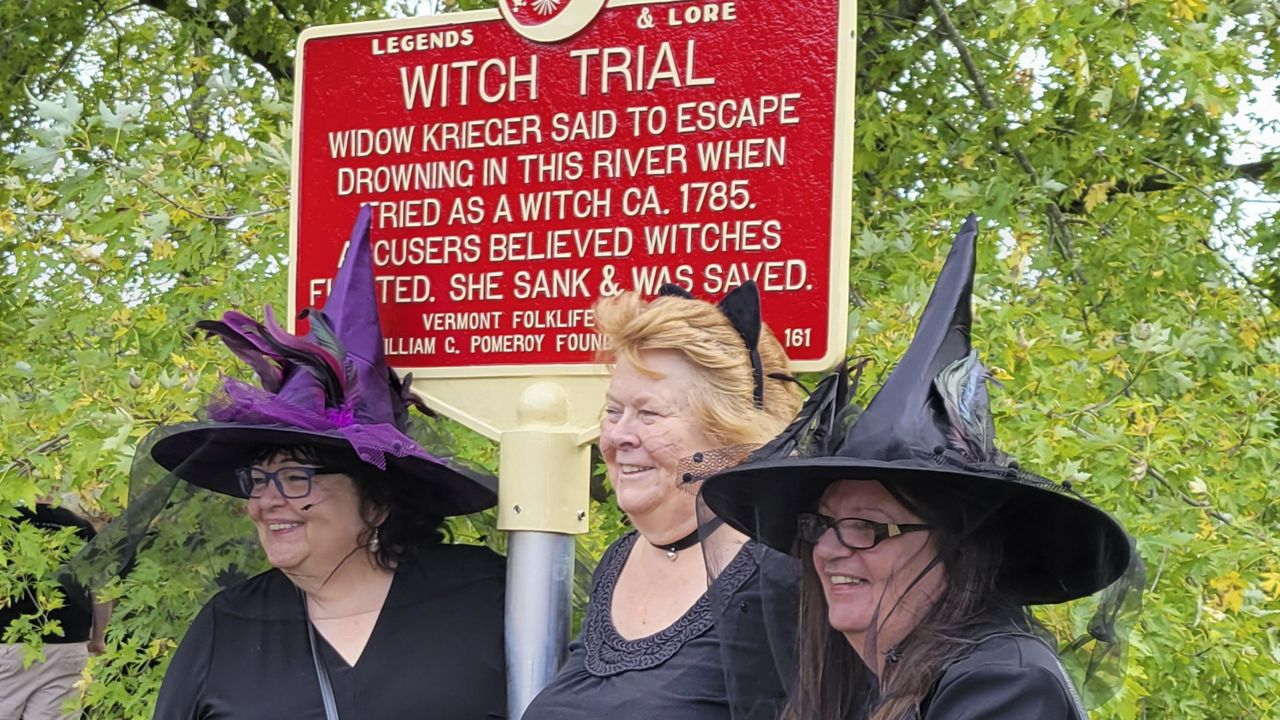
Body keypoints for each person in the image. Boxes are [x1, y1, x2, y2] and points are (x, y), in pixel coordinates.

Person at [701, 216, 1139, 720]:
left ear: (956, 547)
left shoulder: (1006, 686)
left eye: (867, 527)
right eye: (821, 525)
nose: (826, 548)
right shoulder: (879, 680)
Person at [148, 207, 505, 719]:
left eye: (296, 478)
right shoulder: (227, 625)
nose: (268, 501)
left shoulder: (480, 594)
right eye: (259, 479)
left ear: (377, 501)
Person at [522, 282, 802, 720]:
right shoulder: (619, 560)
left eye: (648, 414)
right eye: (614, 412)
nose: (618, 436)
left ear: (729, 431)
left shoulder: (786, 573)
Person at [1, 499, 112, 720]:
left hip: (8, 645)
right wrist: (98, 637)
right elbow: (102, 589)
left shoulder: (5, 522)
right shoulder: (80, 527)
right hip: (69, 646)